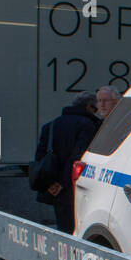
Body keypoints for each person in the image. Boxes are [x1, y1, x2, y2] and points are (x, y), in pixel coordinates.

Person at [35, 92, 100, 232]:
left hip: (54, 188)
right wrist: (62, 182)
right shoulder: (88, 125)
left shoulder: (51, 125)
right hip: (74, 184)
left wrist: (50, 184)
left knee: (63, 226)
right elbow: (78, 156)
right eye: (95, 109)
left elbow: (40, 156)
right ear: (89, 107)